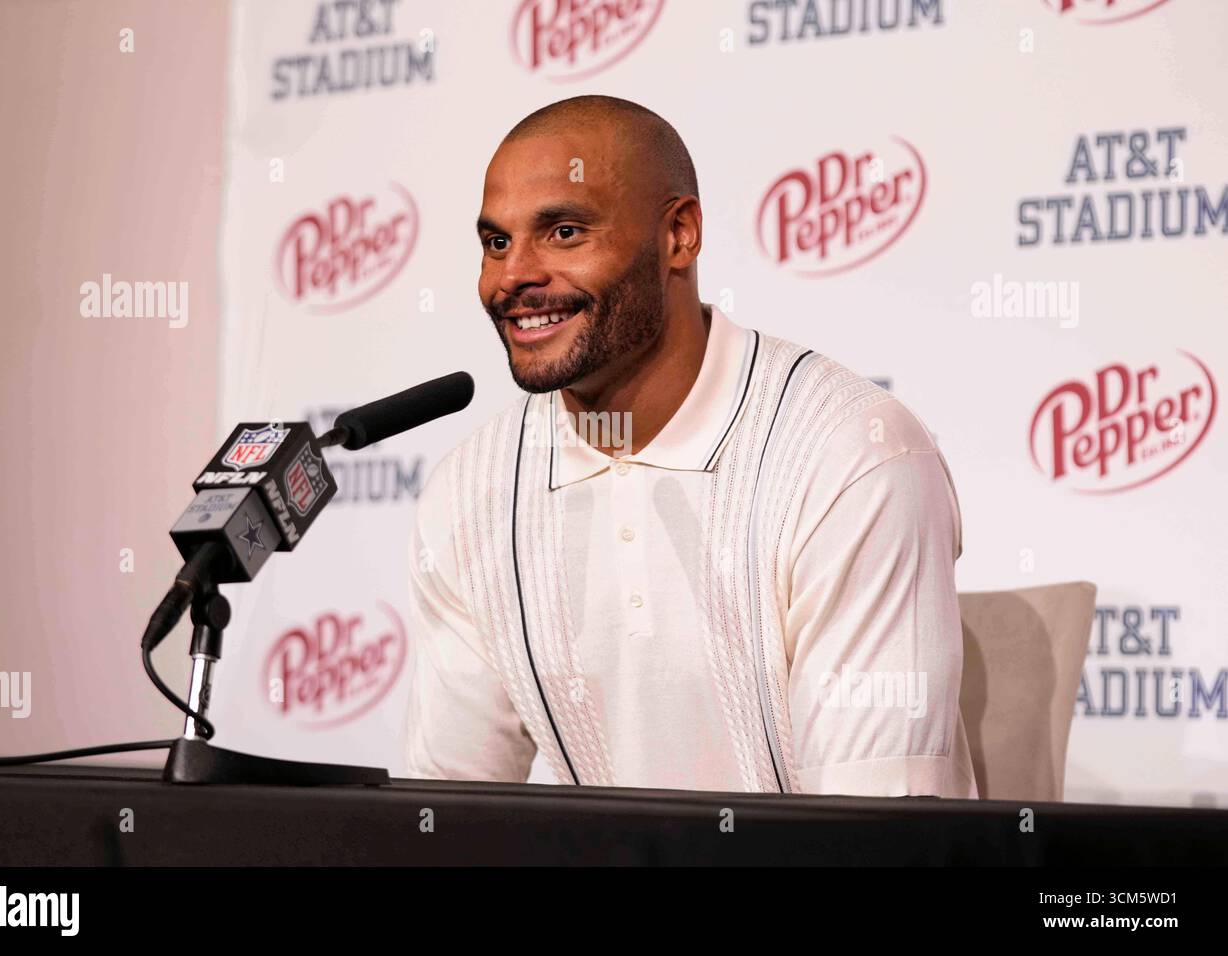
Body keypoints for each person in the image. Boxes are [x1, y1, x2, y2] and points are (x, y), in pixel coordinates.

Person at [400, 95, 978, 797]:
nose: (512, 276)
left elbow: (870, 838)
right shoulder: (471, 491)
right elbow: (447, 814)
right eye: (496, 242)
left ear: (679, 234)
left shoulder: (853, 455)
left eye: (564, 232)